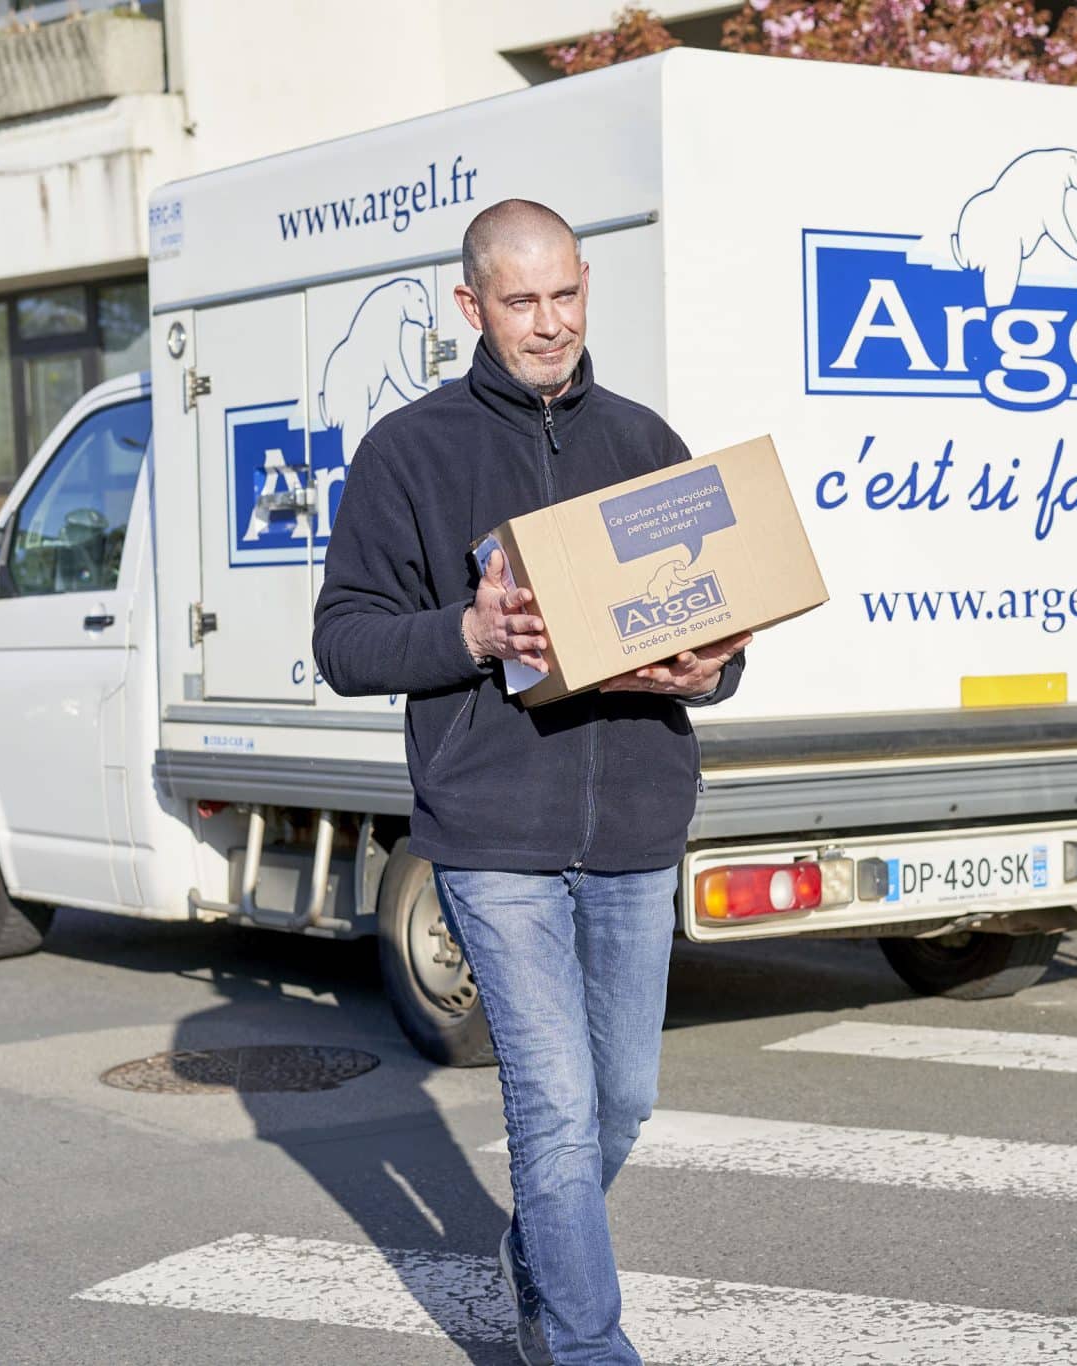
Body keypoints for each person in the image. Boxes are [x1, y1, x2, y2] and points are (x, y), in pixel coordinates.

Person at [311, 199, 750, 1366]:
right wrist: (464, 628)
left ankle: (537, 1263)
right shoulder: (407, 451)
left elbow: (717, 630)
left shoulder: (647, 444)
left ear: (584, 285)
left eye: (565, 294)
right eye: (520, 300)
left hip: (636, 827)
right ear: (471, 306)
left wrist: (714, 667)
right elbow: (344, 640)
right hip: (491, 831)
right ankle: (586, 1345)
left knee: (620, 1102)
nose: (549, 323)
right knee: (552, 1105)